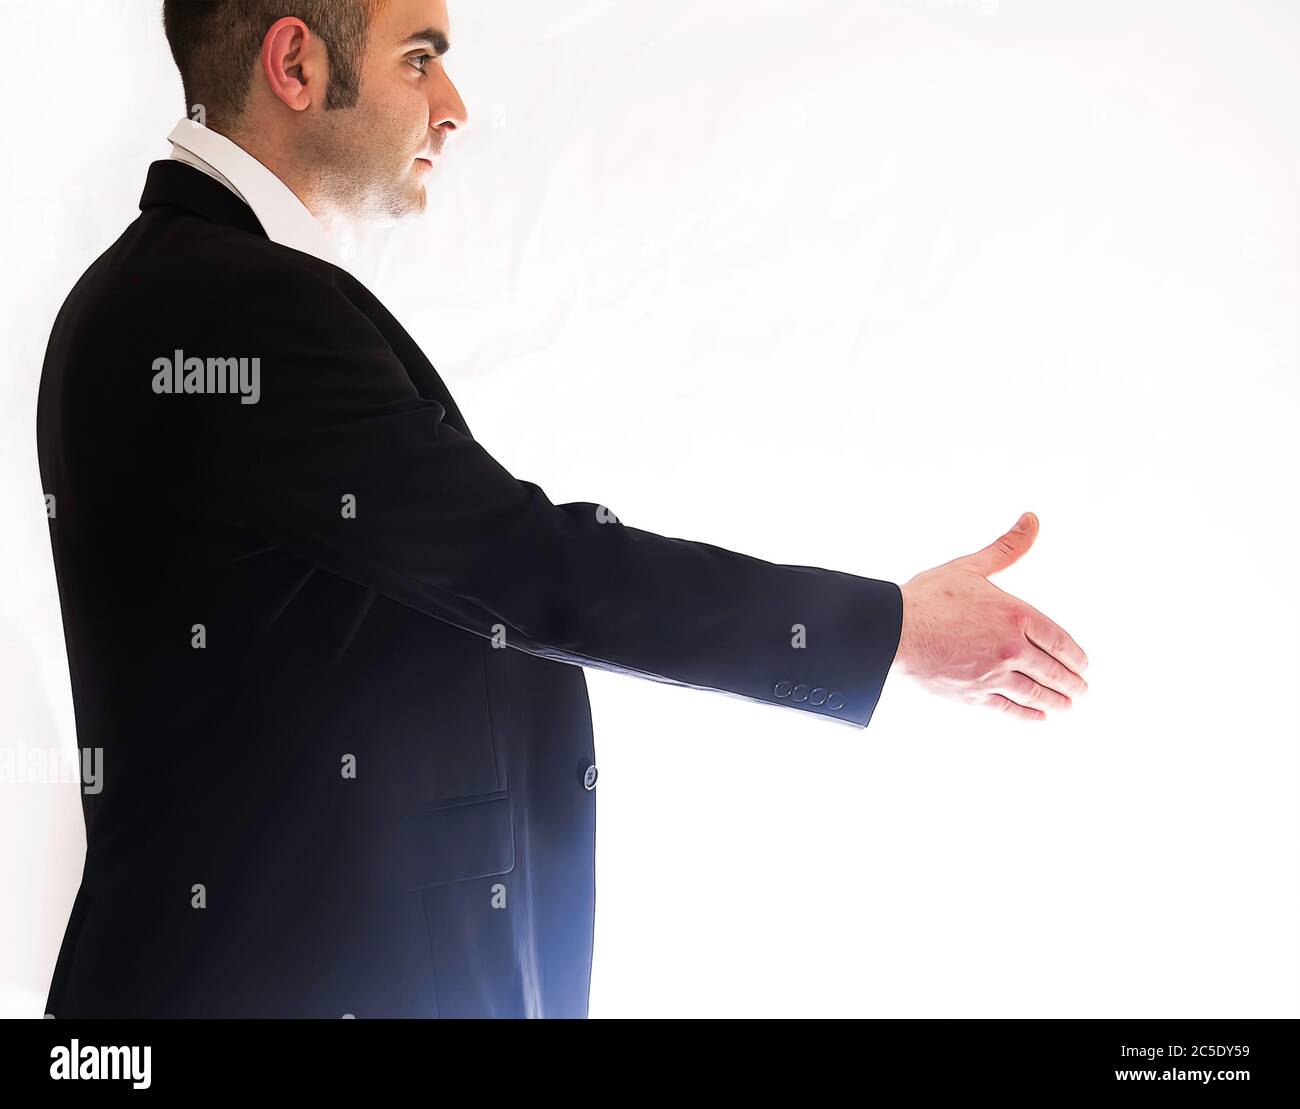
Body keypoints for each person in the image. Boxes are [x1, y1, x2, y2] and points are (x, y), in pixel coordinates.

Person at [35, 0, 1088, 1018]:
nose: (451, 103)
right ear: (297, 65)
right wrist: (889, 630)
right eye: (418, 57)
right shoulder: (231, 305)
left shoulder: (171, 289)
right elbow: (526, 569)